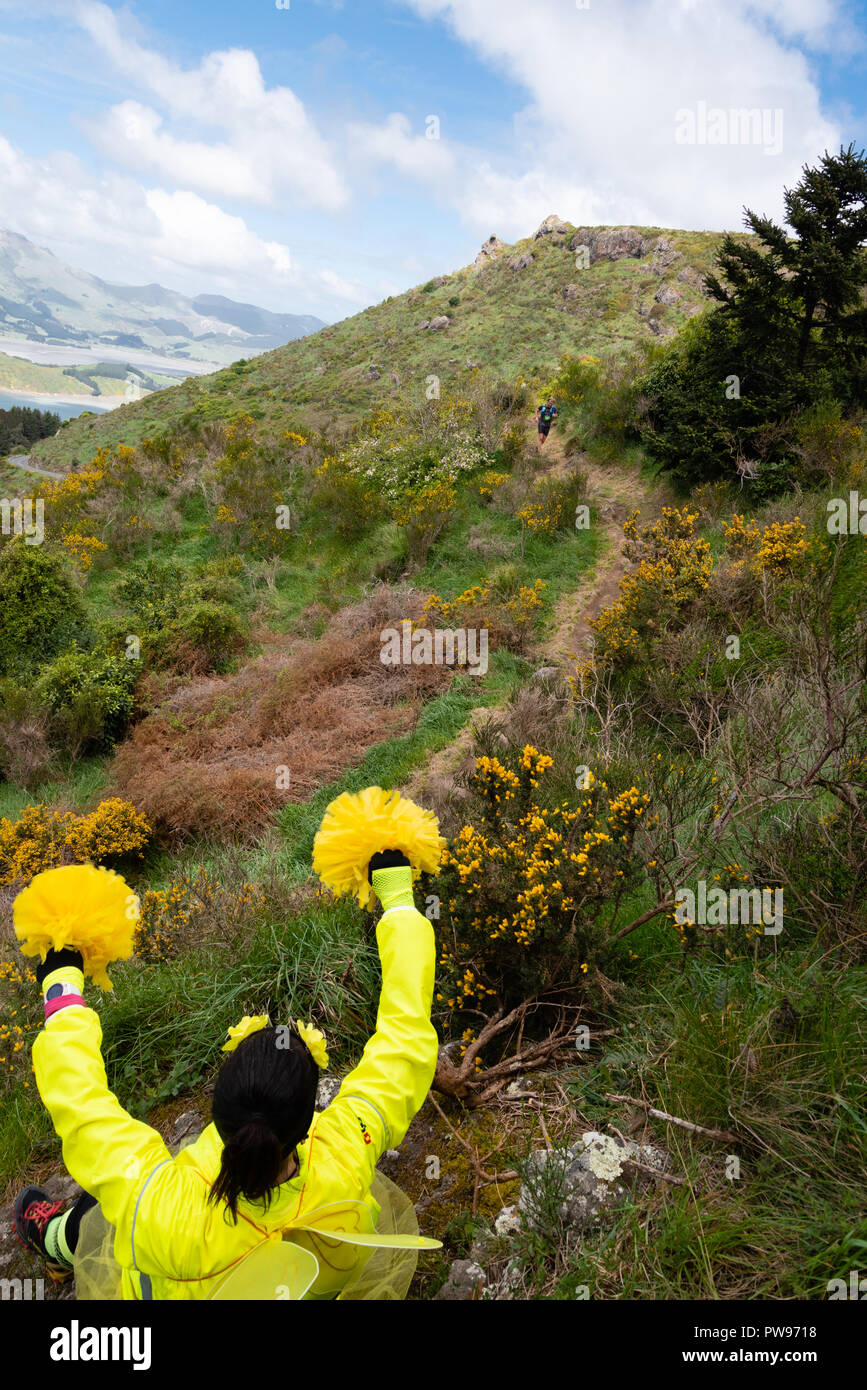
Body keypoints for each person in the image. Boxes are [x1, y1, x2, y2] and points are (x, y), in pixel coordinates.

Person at [12, 849, 439, 1300]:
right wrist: (398, 902)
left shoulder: (159, 1202)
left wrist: (62, 987)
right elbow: (403, 1041)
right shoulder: (347, 1154)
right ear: (309, 1121)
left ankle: (55, 1240)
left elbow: (81, 1104)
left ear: (217, 1108)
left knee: (103, 1213)